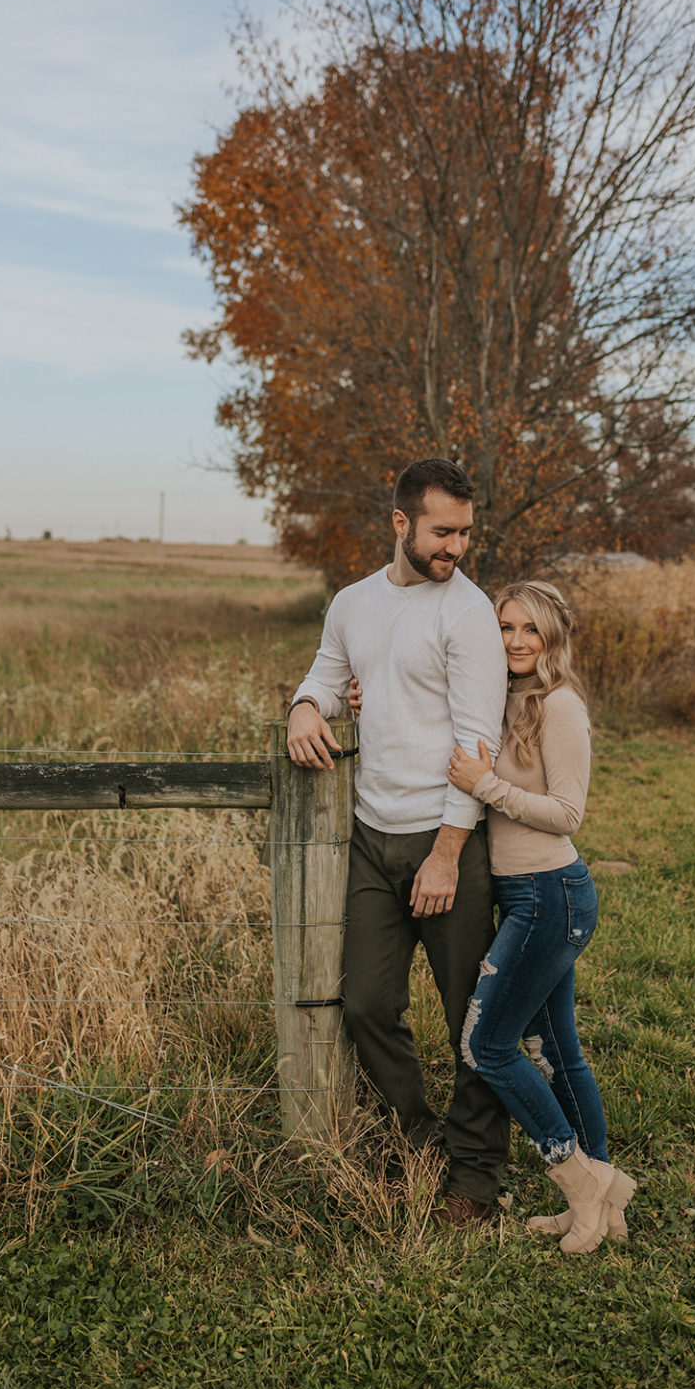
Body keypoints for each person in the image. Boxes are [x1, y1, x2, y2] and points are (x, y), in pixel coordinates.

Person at [286, 458, 510, 1224]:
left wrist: (448, 852)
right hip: (370, 839)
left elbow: (478, 743)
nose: (455, 547)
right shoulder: (353, 602)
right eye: (442, 532)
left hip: (446, 842)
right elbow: (326, 671)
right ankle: (418, 1140)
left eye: (465, 533)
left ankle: (476, 1178)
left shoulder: (467, 611)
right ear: (400, 523)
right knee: (366, 1005)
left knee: (470, 1020)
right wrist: (305, 710)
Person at [446, 580, 636, 1254]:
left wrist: (485, 787)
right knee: (555, 1051)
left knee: (486, 1045)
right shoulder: (503, 699)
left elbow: (567, 812)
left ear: (553, 638)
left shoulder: (560, 706)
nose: (518, 641)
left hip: (548, 892)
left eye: (531, 630)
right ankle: (604, 1197)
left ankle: (575, 1178)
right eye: (506, 628)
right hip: (526, 895)